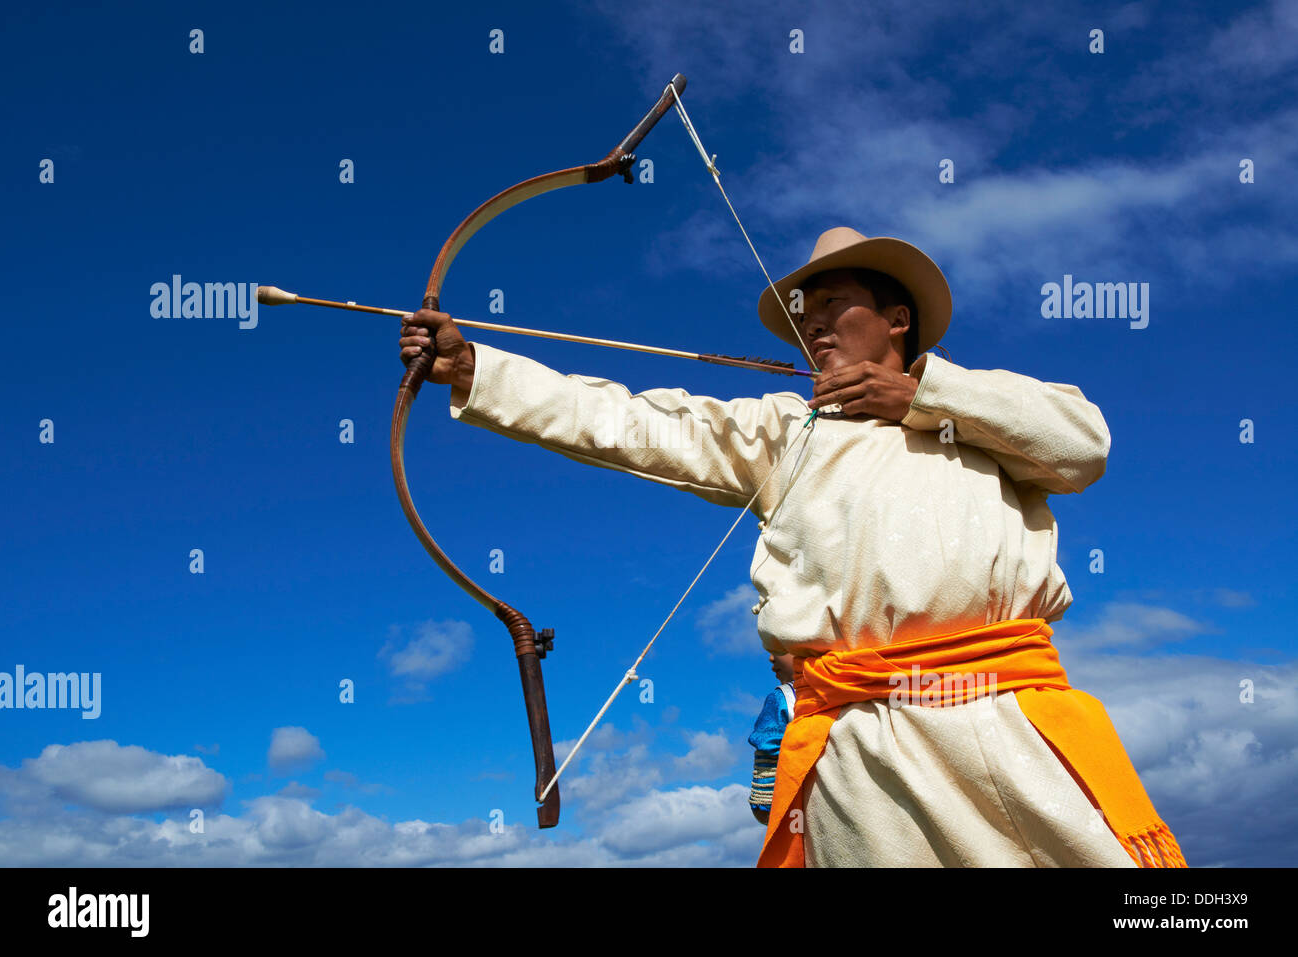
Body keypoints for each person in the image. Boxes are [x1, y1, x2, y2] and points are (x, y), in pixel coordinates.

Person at [399, 226, 1186, 868]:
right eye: (804, 312)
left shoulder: (978, 415)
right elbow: (631, 424)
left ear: (896, 319)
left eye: (833, 305)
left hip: (1008, 716)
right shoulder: (782, 430)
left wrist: (924, 398)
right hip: (856, 749)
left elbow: (1083, 444)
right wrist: (477, 370)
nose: (812, 324)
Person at [748, 653, 796, 825]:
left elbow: (764, 806)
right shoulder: (876, 683)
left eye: (780, 646)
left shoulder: (783, 700)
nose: (770, 657)